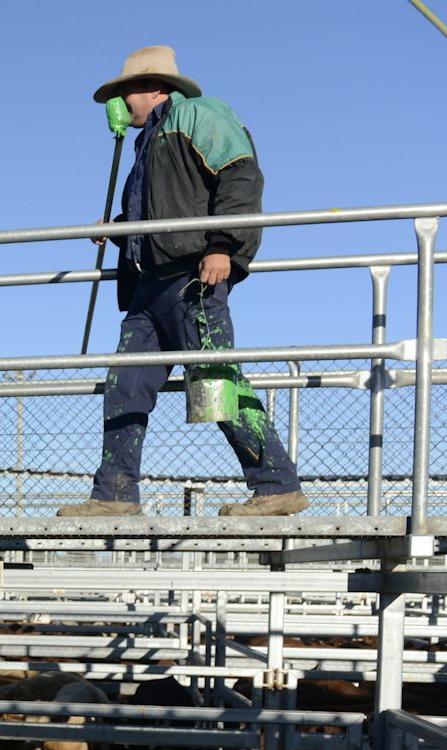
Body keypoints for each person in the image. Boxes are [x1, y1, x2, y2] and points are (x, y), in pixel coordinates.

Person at [60, 47, 308, 518]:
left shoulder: (197, 113)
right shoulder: (146, 143)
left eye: (124, 91)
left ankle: (277, 484)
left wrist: (223, 245)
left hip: (192, 276)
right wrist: (118, 229)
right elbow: (165, 212)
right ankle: (114, 493)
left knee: (214, 380)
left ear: (153, 87)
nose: (120, 101)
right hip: (147, 287)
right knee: (124, 386)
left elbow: (240, 175)